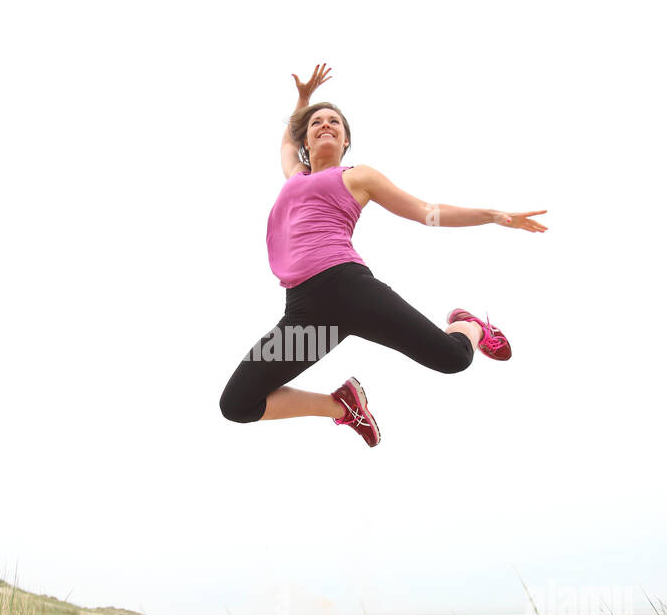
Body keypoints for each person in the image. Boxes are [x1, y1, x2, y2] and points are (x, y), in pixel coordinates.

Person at [218, 63, 547, 447]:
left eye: (334, 123)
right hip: (307, 316)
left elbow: (427, 212)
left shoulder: (358, 177)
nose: (325, 125)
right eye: (316, 123)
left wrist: (492, 216)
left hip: (349, 290)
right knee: (238, 404)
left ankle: (473, 326)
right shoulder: (295, 176)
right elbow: (285, 144)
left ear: (345, 142)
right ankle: (343, 407)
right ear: (306, 141)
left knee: (454, 359)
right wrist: (303, 100)